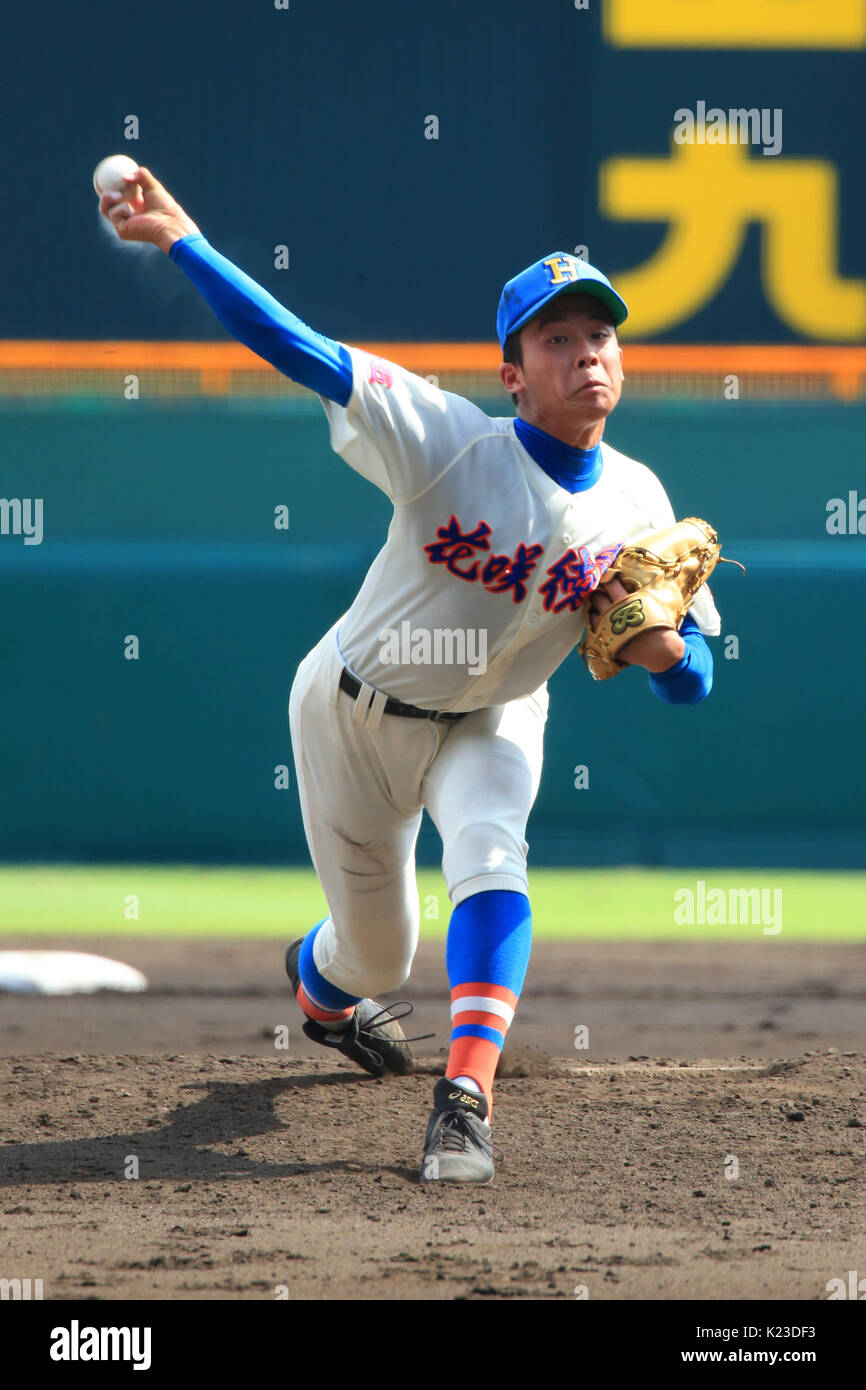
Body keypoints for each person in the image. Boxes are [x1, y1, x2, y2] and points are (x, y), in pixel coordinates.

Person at [100, 168, 720, 1185]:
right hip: (351, 711)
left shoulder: (642, 501)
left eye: (598, 336)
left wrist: (671, 655)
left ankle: (464, 1097)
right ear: (512, 372)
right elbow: (300, 350)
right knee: (373, 957)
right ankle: (319, 995)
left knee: (490, 850)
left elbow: (689, 682)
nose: (584, 356)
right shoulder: (444, 440)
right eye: (554, 340)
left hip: (495, 713)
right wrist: (184, 243)